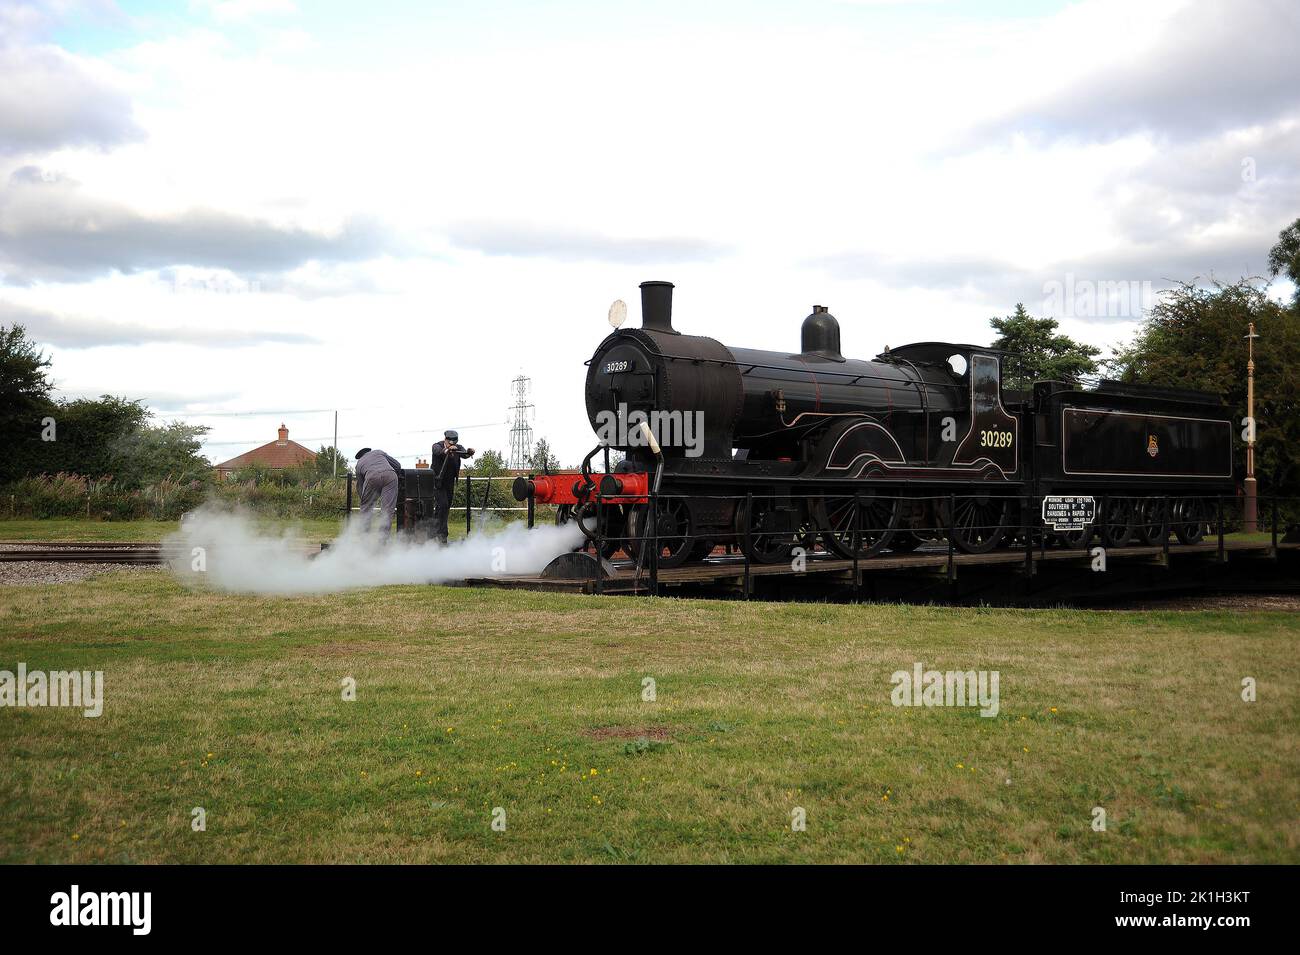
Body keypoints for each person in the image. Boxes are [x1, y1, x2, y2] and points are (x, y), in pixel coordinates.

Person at [429, 430, 475, 544]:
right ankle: (442, 536)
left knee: (443, 508)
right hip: (437, 482)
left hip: (450, 482)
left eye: (454, 443)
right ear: (445, 440)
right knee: (443, 505)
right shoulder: (437, 446)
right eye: (450, 443)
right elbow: (439, 452)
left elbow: (464, 453)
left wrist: (469, 452)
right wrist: (447, 450)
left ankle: (433, 533)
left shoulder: (458, 447)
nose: (452, 445)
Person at [354, 447, 403, 537]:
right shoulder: (378, 452)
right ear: (369, 451)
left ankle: (364, 537)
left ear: (360, 457)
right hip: (391, 475)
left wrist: (365, 500)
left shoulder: (359, 464)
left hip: (372, 477)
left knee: (366, 509)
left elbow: (361, 486)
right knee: (388, 510)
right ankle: (383, 540)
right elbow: (397, 465)